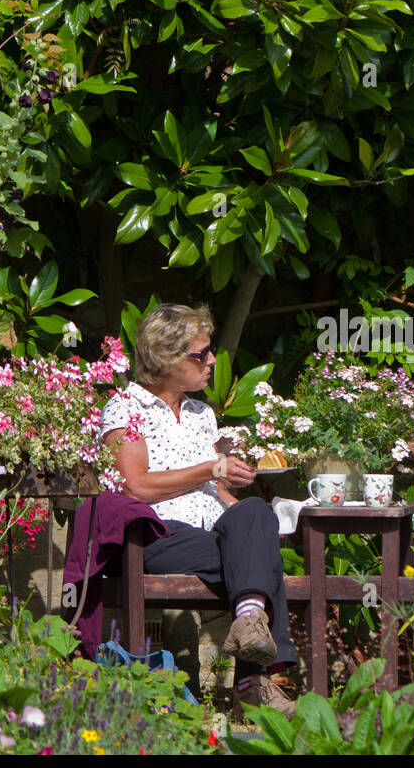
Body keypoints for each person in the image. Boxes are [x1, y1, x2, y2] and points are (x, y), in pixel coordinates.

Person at [99, 303, 296, 716]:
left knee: (256, 515)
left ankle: (248, 617)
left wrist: (244, 511)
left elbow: (213, 491)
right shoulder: (125, 408)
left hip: (207, 535)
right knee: (260, 563)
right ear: (166, 357)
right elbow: (135, 485)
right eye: (200, 354)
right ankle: (253, 681)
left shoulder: (201, 414)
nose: (211, 362)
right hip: (153, 534)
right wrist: (210, 467)